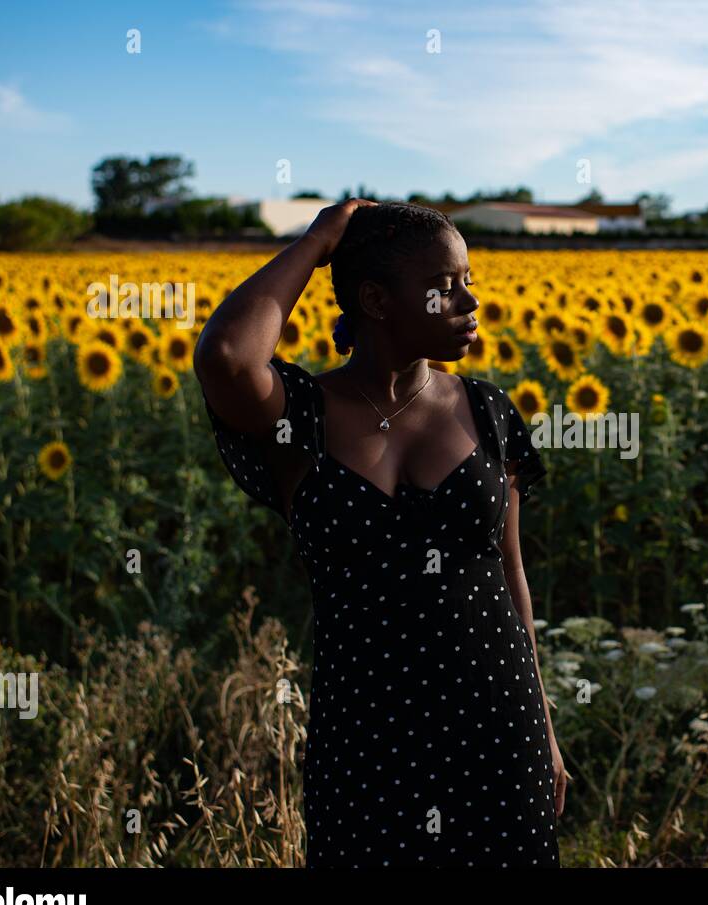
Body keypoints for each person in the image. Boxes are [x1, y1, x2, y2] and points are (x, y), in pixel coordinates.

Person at [193, 199, 565, 867]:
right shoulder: (299, 421)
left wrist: (543, 722)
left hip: (498, 727)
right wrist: (320, 238)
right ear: (376, 298)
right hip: (368, 741)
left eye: (468, 279)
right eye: (443, 285)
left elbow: (510, 573)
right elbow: (226, 355)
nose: (468, 301)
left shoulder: (488, 410)